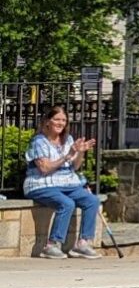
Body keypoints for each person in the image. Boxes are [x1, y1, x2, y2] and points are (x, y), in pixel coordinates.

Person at [24, 104, 101, 259]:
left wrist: (79, 153)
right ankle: (52, 245)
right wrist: (66, 156)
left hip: (67, 183)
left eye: (63, 120)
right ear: (47, 121)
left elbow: (75, 166)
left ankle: (83, 244)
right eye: (56, 119)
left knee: (92, 201)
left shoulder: (68, 140)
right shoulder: (39, 141)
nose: (60, 123)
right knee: (67, 203)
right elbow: (44, 169)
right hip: (42, 184)